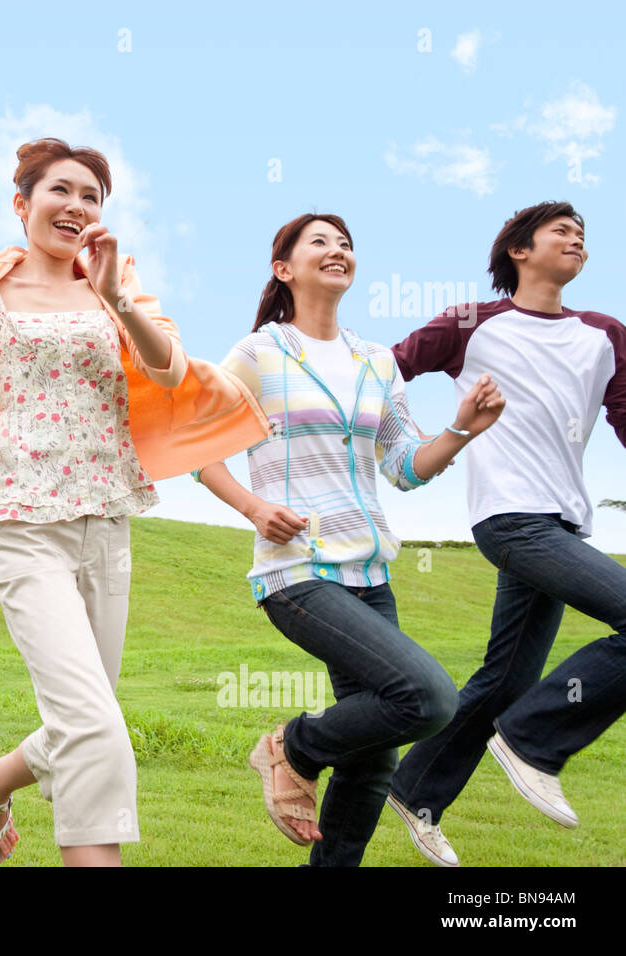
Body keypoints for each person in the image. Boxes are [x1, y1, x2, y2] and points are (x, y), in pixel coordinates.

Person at [0, 138, 268, 866]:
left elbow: (171, 367)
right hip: (24, 523)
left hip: (108, 521)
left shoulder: (116, 282)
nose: (78, 206)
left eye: (92, 197)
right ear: (22, 204)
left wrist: (117, 295)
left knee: (85, 718)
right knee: (94, 727)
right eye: (62, 191)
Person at [195, 213, 505, 866]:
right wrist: (255, 507)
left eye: (346, 244)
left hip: (371, 575)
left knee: (370, 764)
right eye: (320, 242)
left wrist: (462, 429)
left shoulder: (376, 361)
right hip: (298, 571)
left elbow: (403, 466)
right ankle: (292, 747)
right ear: (284, 269)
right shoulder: (258, 354)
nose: (338, 250)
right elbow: (202, 451)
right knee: (428, 696)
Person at [386, 201, 626, 866]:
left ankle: (417, 792)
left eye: (583, 235)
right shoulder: (473, 324)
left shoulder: (605, 336)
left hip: (564, 522)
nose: (577, 239)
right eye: (561, 231)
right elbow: (385, 371)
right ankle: (532, 742)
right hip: (510, 520)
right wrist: (424, 447)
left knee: (505, 679)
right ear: (520, 249)